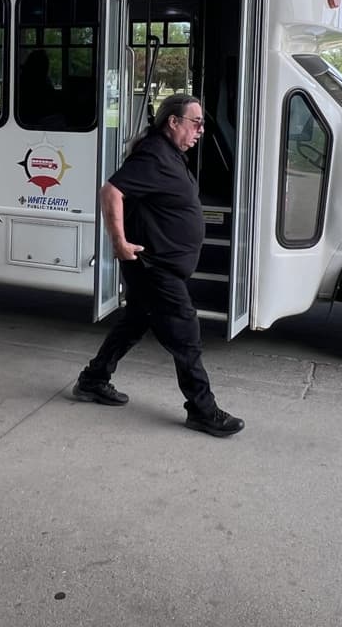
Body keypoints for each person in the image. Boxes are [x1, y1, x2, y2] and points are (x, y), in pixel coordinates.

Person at [73, 93, 245, 437]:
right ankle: (202, 409)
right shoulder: (153, 155)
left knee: (135, 322)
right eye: (195, 123)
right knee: (186, 336)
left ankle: (93, 380)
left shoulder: (170, 154)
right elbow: (111, 192)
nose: (200, 131)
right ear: (173, 122)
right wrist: (119, 243)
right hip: (154, 267)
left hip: (154, 265)